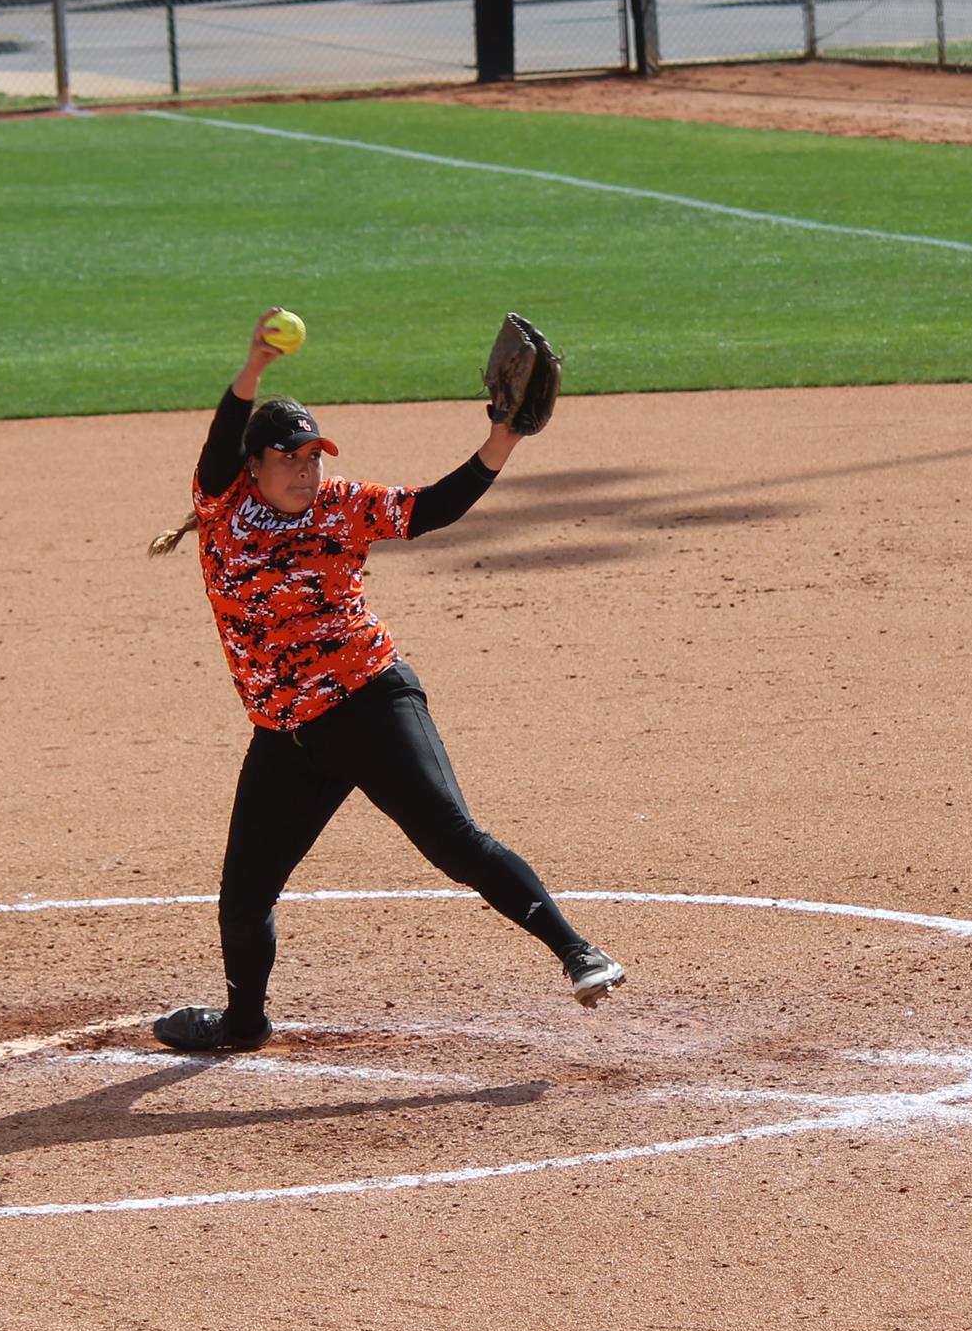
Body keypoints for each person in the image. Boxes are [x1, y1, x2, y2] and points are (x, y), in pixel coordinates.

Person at [145, 309, 624, 1053]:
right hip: (285, 737)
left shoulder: (342, 507)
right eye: (293, 457)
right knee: (242, 900)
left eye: (315, 456)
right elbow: (217, 442)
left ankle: (577, 951)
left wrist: (505, 438)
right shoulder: (221, 509)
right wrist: (253, 369)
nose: (309, 468)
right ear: (256, 466)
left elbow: (433, 507)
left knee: (453, 840)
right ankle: (244, 1024)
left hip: (369, 702)